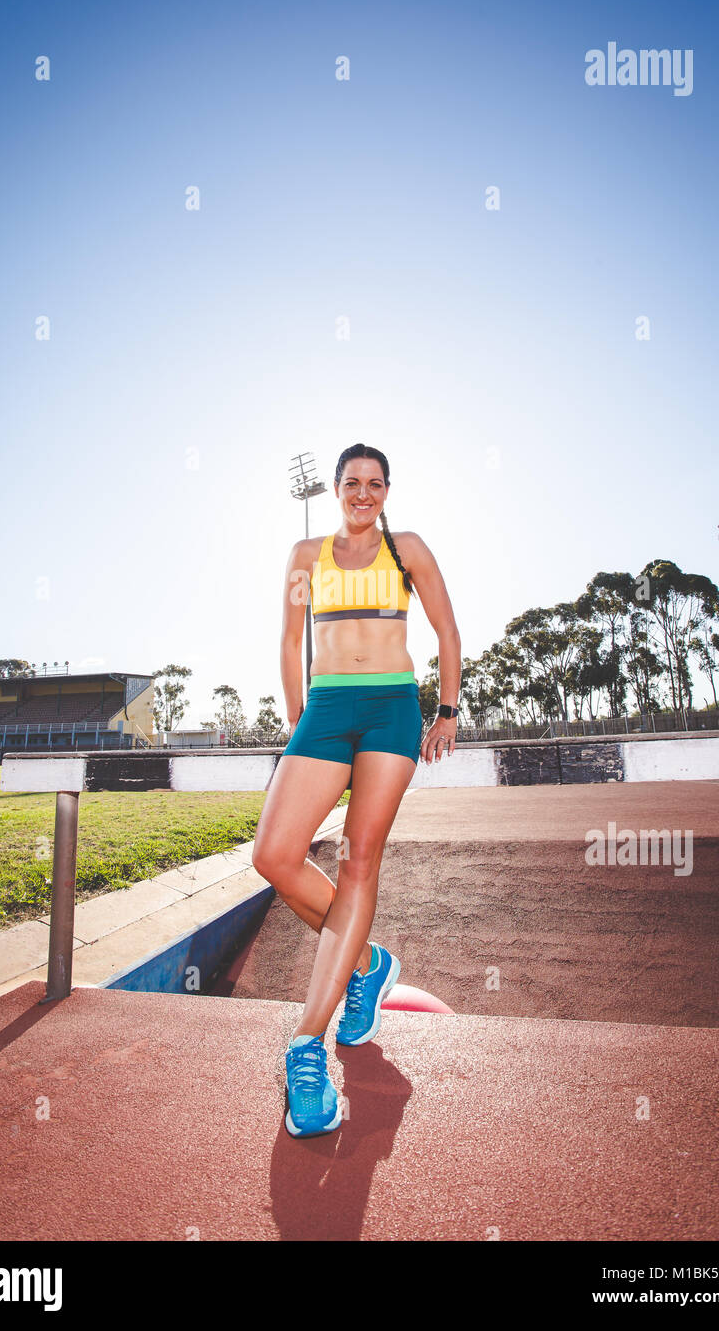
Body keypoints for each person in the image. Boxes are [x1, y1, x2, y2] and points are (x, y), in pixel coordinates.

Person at [251, 443, 461, 1137]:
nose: (362, 492)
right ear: (338, 489)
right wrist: (297, 717)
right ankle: (368, 962)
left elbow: (447, 628)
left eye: (374, 483)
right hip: (328, 708)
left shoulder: (409, 550)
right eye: (351, 483)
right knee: (275, 855)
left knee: (357, 859)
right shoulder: (306, 553)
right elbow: (289, 642)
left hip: (392, 708)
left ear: (387, 490)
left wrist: (448, 710)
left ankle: (306, 1045)